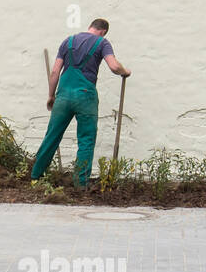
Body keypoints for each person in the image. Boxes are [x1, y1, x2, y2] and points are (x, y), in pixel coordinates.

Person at [31, 18, 131, 187]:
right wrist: (125, 71)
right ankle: (80, 184)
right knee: (86, 139)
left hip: (63, 96)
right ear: (103, 31)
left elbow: (55, 71)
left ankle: (35, 177)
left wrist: (51, 95)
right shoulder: (102, 43)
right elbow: (114, 66)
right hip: (85, 96)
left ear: (90, 27)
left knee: (52, 136)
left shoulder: (68, 42)